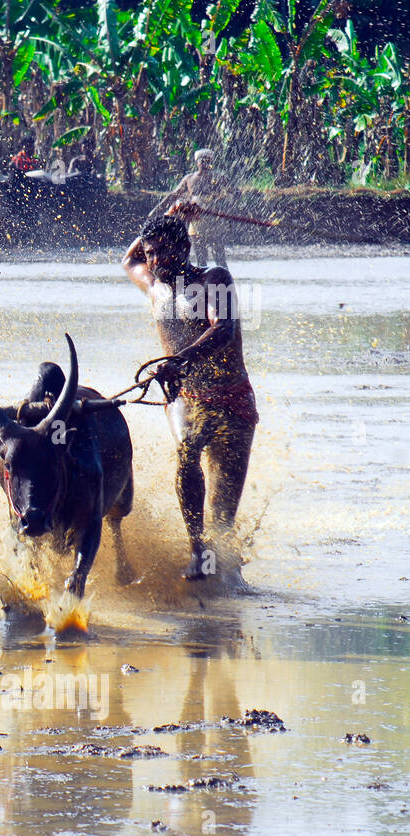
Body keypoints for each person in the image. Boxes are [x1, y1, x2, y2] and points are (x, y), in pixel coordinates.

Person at [122, 206, 257, 582]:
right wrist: (168, 212)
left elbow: (224, 329)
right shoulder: (154, 286)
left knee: (223, 513)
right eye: (151, 253)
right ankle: (198, 549)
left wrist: (178, 360)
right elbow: (127, 258)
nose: (155, 260)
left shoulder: (214, 278)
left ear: (184, 249)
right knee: (187, 452)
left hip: (231, 399)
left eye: (163, 251)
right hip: (185, 397)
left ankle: (225, 578)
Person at [151, 148, 236, 267]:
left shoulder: (220, 178)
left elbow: (235, 193)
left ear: (212, 162)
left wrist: (224, 201)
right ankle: (203, 283)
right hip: (196, 222)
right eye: (203, 161)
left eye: (209, 161)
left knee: (219, 258)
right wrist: (156, 209)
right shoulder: (189, 179)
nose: (206, 164)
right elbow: (174, 195)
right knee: (200, 258)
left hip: (215, 222)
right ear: (197, 162)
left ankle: (225, 282)